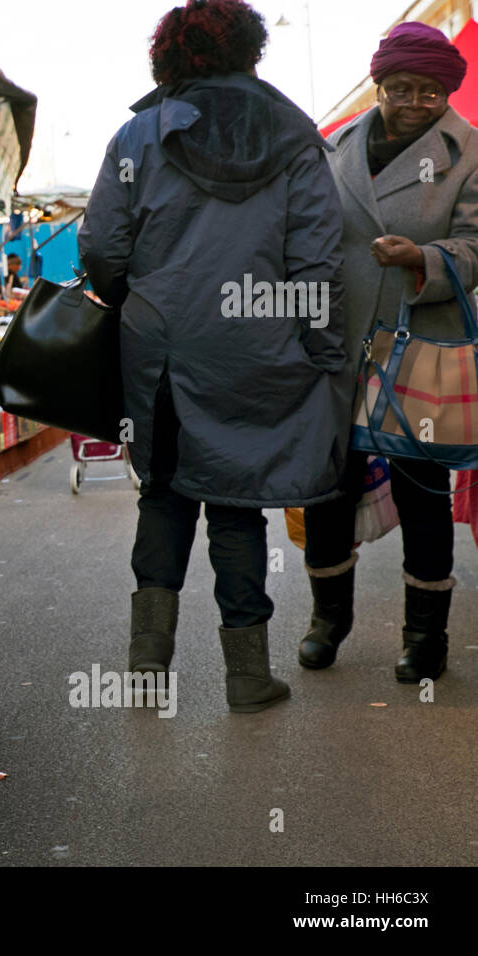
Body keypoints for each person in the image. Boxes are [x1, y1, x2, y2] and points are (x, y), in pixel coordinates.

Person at [78, 0, 347, 713]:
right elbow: (315, 264)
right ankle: (248, 676)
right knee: (237, 502)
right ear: (250, 53)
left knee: (164, 491)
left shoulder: (138, 136)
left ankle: (146, 665)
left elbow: (103, 250)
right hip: (258, 352)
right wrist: (322, 354)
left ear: (167, 58)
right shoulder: (296, 138)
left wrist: (123, 294)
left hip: (161, 348)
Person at [298, 22, 476, 682]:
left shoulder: (470, 153)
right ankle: (327, 621)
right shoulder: (336, 144)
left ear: (446, 92)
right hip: (339, 345)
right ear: (378, 85)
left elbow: (476, 247)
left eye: (430, 93)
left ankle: (425, 637)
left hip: (420, 343)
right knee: (327, 487)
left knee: (424, 491)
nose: (413, 102)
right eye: (400, 88)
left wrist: (424, 258)